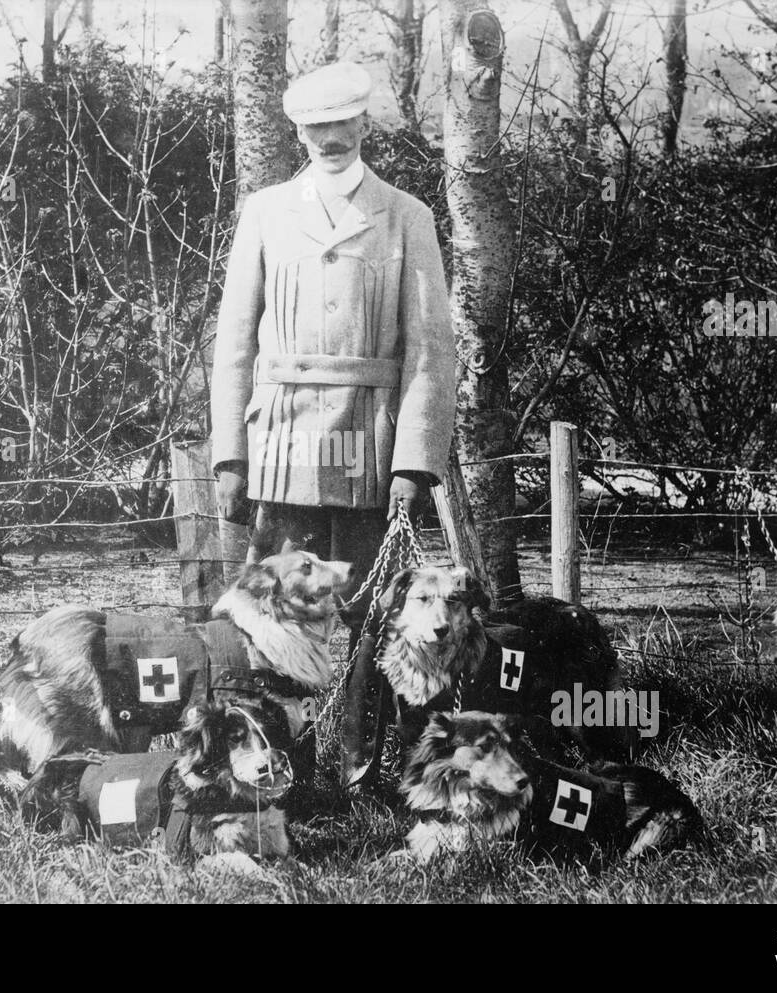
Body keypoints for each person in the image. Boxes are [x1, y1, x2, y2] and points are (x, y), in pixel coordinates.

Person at [210, 60, 456, 787]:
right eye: (314, 127)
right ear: (299, 132)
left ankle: (358, 769)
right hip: (281, 444)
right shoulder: (265, 211)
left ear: (363, 124)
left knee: (367, 612)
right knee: (276, 612)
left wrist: (414, 463)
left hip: (370, 449)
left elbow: (432, 352)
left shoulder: (408, 216)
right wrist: (231, 453)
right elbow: (234, 344)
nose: (328, 139)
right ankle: (277, 764)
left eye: (341, 123)